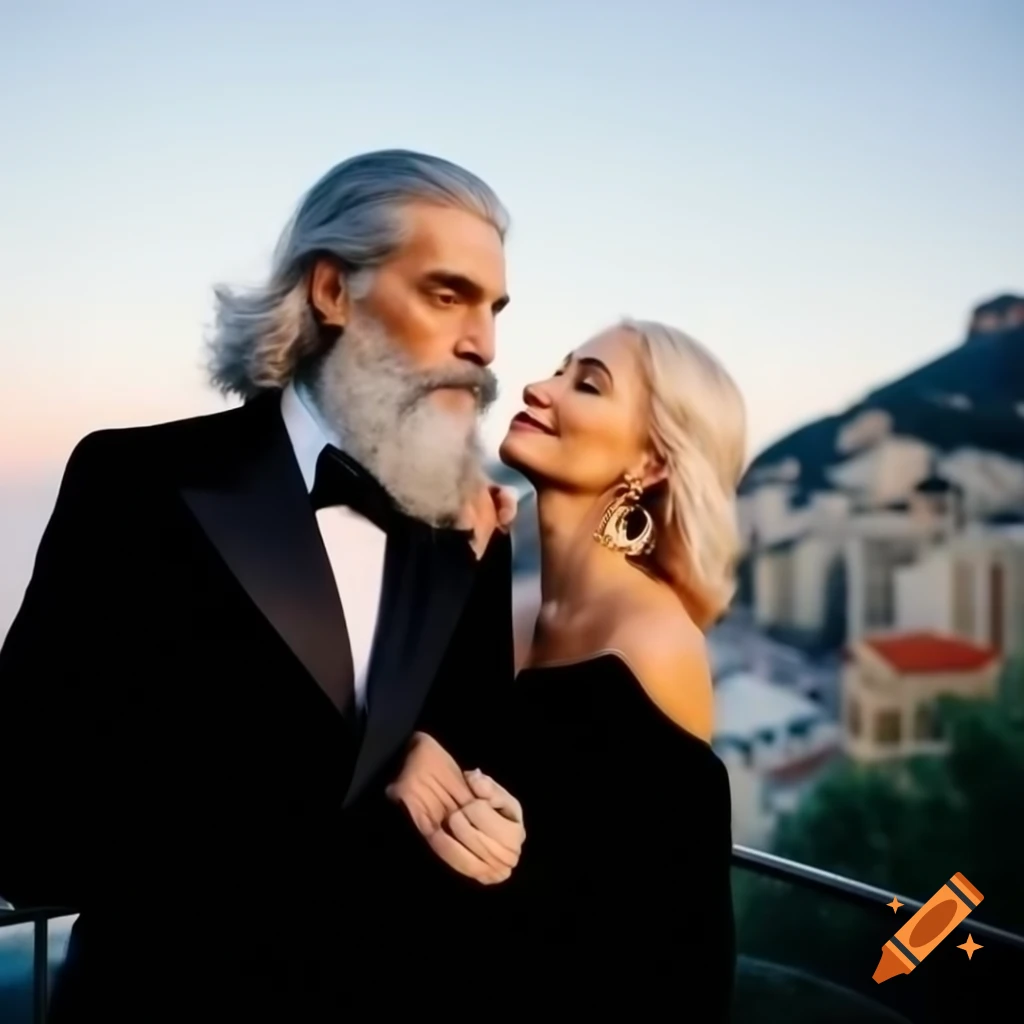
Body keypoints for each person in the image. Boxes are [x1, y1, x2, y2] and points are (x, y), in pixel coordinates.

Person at [0, 150, 526, 1020]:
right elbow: (25, 814)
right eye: (447, 294)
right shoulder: (134, 483)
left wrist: (482, 812)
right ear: (331, 291)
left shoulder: (466, 532)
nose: (485, 344)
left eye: (495, 307)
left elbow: (476, 748)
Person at [387, 318, 744, 1017]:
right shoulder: (508, 607)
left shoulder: (655, 646)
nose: (536, 388)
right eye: (559, 369)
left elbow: (672, 957)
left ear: (649, 463)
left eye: (588, 384)